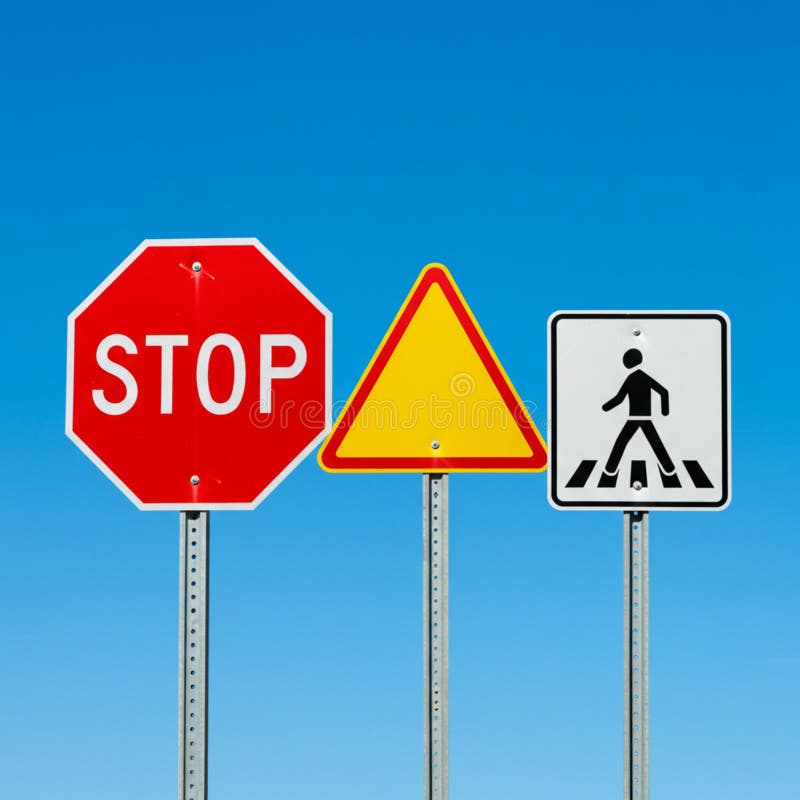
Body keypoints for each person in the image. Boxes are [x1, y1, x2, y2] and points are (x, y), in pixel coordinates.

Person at [601, 348, 676, 477]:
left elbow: (619, 398)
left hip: (634, 418)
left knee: (621, 441)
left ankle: (610, 469)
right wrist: (665, 411)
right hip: (646, 418)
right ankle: (669, 468)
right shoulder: (645, 377)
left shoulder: (631, 378)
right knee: (655, 442)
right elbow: (664, 392)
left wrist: (605, 407)